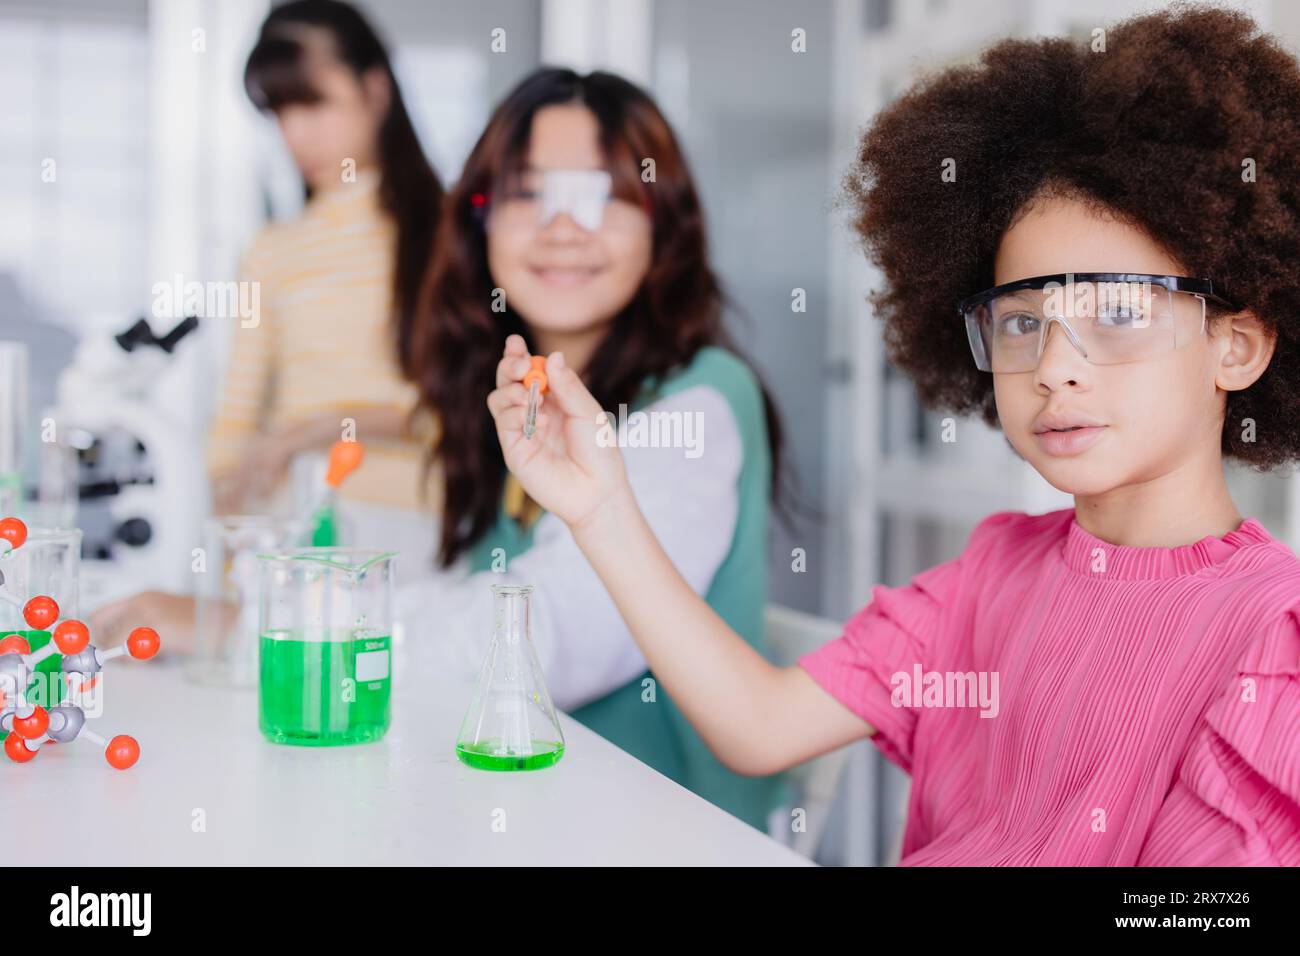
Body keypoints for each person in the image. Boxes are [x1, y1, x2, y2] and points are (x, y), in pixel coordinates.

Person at [483, 8, 1300, 865]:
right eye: (1021, 322)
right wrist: (602, 507)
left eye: (1120, 312)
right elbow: (758, 725)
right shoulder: (989, 577)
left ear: (1234, 346)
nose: (1056, 366)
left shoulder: (1270, 637)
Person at [400, 68, 790, 831]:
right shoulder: (514, 391)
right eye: (528, 194)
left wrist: (291, 623)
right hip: (517, 815)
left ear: (663, 223)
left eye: (603, 195)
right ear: (479, 220)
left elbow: (544, 645)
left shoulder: (699, 401)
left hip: (663, 837)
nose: (563, 229)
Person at [92, 0, 442, 646]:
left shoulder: (447, 238)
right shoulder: (273, 250)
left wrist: (315, 430)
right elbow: (236, 417)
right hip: (282, 529)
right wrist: (227, 507)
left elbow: (463, 417)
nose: (296, 133)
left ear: (375, 89)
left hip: (405, 538)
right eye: (279, 111)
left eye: (314, 103)